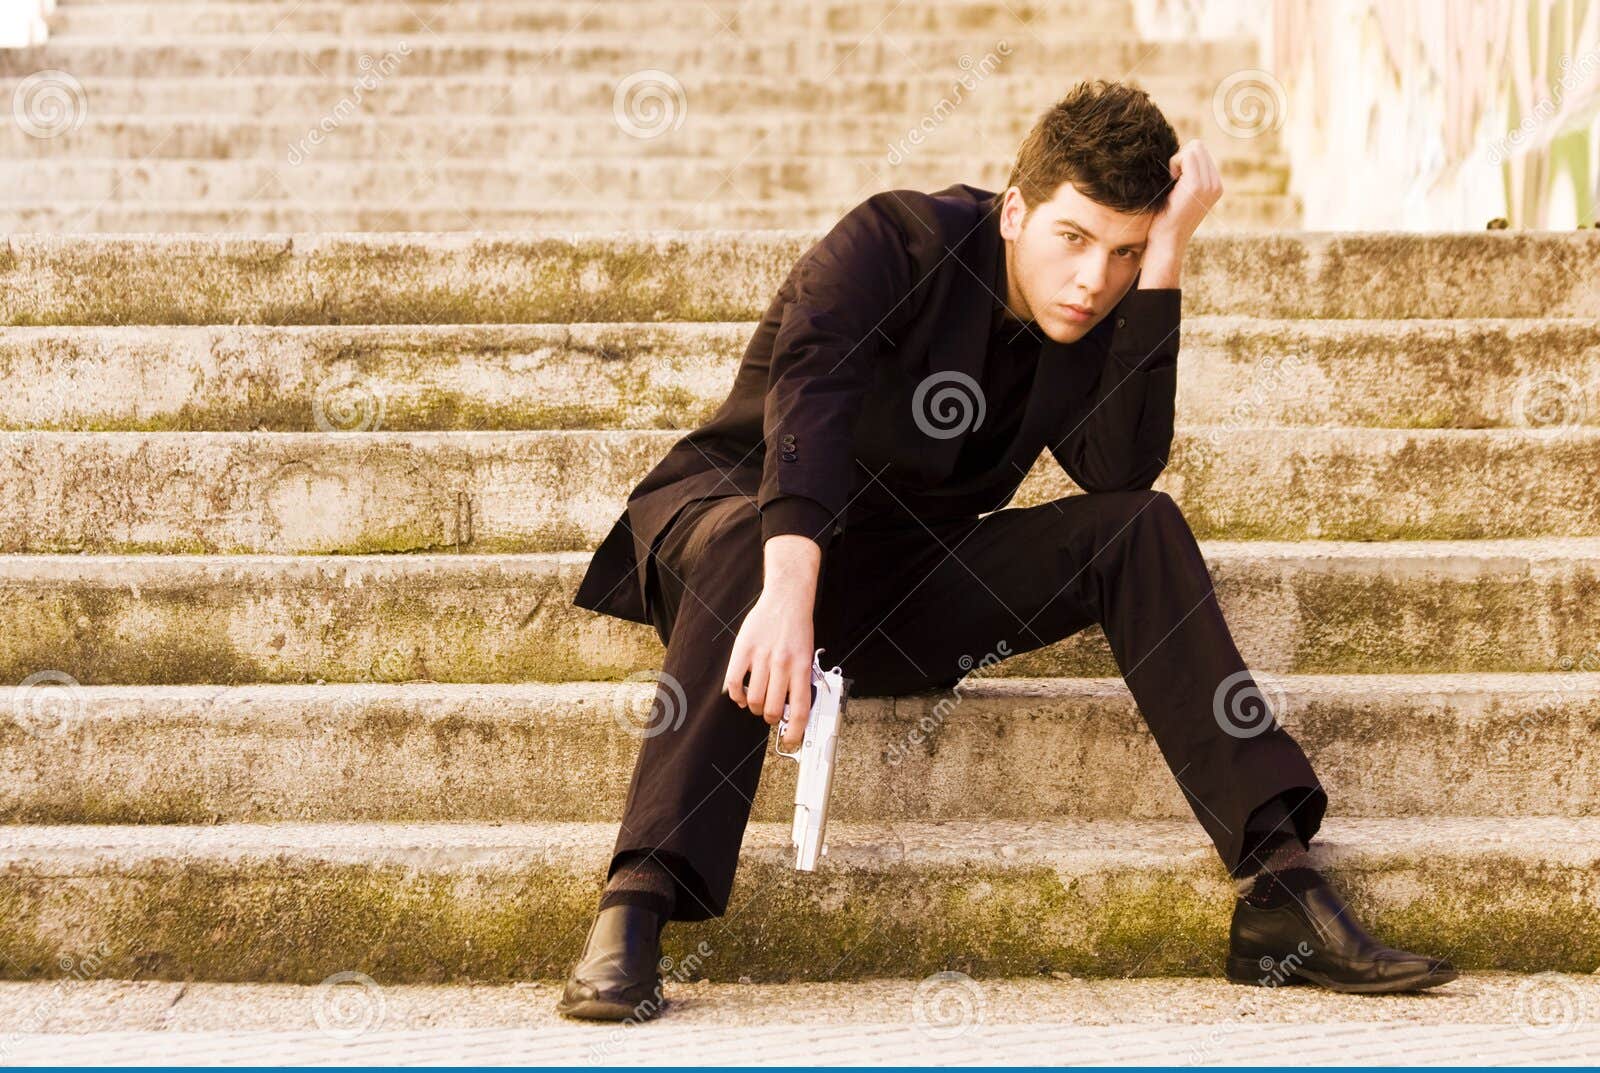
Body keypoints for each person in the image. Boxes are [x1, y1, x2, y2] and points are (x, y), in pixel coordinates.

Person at [557, 79, 1457, 1021]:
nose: (1092, 280)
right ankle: (636, 903)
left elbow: (1118, 467)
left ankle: (1281, 890)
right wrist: (788, 589)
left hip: (891, 589)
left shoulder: (1097, 305)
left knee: (1140, 527)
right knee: (753, 543)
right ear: (1017, 208)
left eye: (1122, 250)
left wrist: (1170, 257)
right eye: (1073, 239)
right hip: (732, 537)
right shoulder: (890, 241)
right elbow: (809, 403)